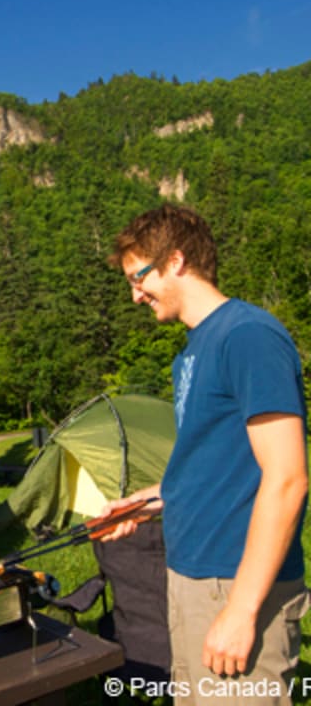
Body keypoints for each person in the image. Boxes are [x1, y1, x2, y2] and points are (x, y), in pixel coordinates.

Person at [105, 203, 308, 705]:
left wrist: (241, 610)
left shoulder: (248, 336)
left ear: (175, 261)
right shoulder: (192, 351)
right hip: (191, 579)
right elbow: (217, 464)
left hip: (235, 583)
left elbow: (287, 478)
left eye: (139, 277)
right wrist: (153, 500)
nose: (135, 295)